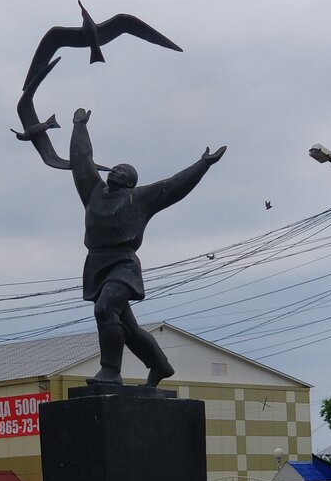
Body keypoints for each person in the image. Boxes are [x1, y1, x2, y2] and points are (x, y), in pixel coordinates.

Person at [70, 107, 226, 385]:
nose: (116, 169)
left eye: (123, 170)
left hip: (123, 265)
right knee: (127, 327)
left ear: (131, 182)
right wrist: (79, 126)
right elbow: (82, 160)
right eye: (115, 167)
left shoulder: (139, 199)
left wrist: (203, 164)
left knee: (104, 310)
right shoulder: (93, 192)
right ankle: (160, 365)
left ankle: (110, 371)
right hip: (96, 264)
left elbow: (172, 186)